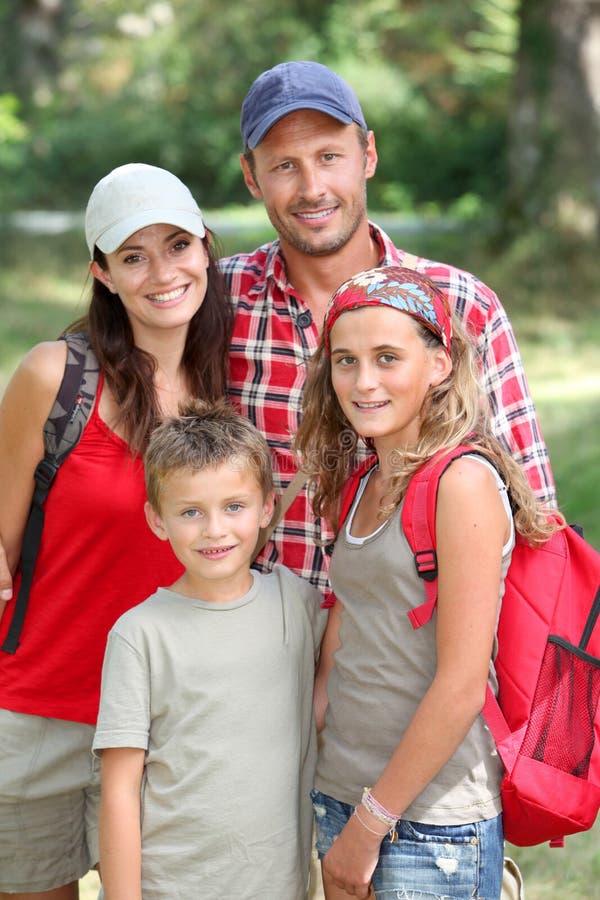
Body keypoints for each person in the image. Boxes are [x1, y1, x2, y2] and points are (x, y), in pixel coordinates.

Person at [221, 59, 555, 601]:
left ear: (368, 155)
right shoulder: (218, 300)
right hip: (262, 642)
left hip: (412, 648)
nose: (312, 188)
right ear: (250, 176)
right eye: (284, 166)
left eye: (331, 157)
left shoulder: (460, 306)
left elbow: (534, 514)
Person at [0, 163, 233, 899]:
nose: (162, 272)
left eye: (177, 245)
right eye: (133, 255)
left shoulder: (237, 384)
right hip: (37, 709)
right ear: (101, 273)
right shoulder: (53, 377)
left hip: (169, 719)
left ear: (205, 249)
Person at [295, 265, 562, 900]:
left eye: (388, 358)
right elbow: (350, 622)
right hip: (343, 790)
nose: (363, 382)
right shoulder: (362, 480)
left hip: (428, 822)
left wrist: (370, 824)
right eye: (346, 361)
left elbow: (462, 684)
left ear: (439, 364)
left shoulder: (461, 482)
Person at [93, 399, 325, 900]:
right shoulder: (139, 635)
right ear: (158, 520)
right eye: (191, 512)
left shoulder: (295, 604)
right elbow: (119, 790)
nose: (215, 530)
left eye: (234, 507)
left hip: (278, 887)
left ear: (267, 508)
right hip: (172, 888)